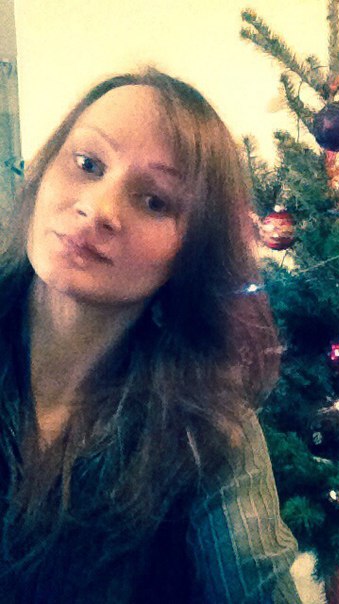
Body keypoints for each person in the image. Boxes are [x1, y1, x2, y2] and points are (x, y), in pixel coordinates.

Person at [0, 67, 303, 603]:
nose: (98, 209)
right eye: (88, 164)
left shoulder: (210, 426)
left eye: (155, 201)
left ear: (191, 252)